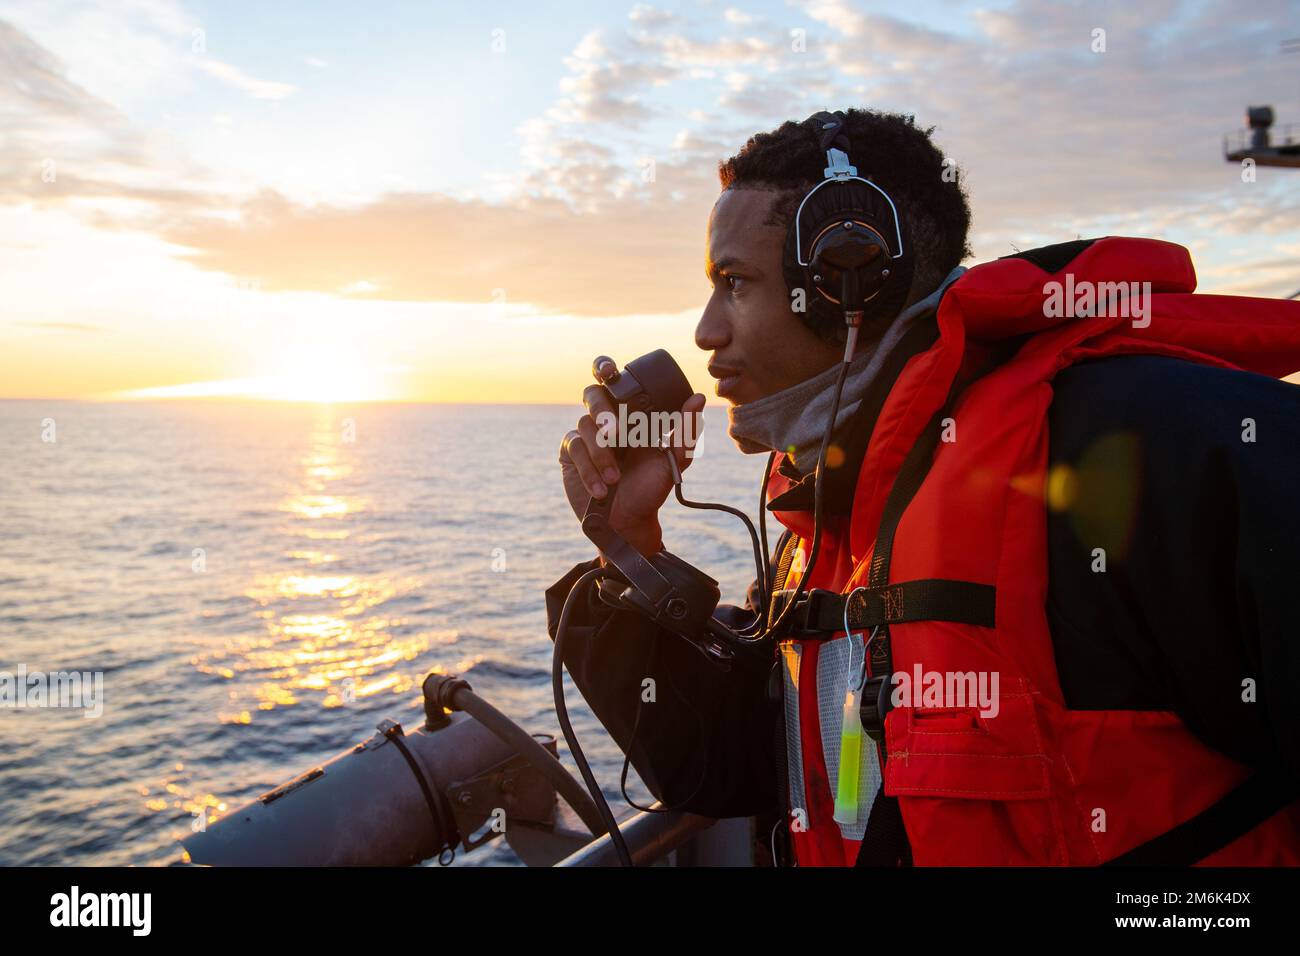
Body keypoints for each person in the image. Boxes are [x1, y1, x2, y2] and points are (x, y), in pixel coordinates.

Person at [549, 108, 1300, 866]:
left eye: (734, 284)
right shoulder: (827, 528)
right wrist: (629, 550)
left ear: (851, 280)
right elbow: (736, 770)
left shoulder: (1142, 443)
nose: (706, 331)